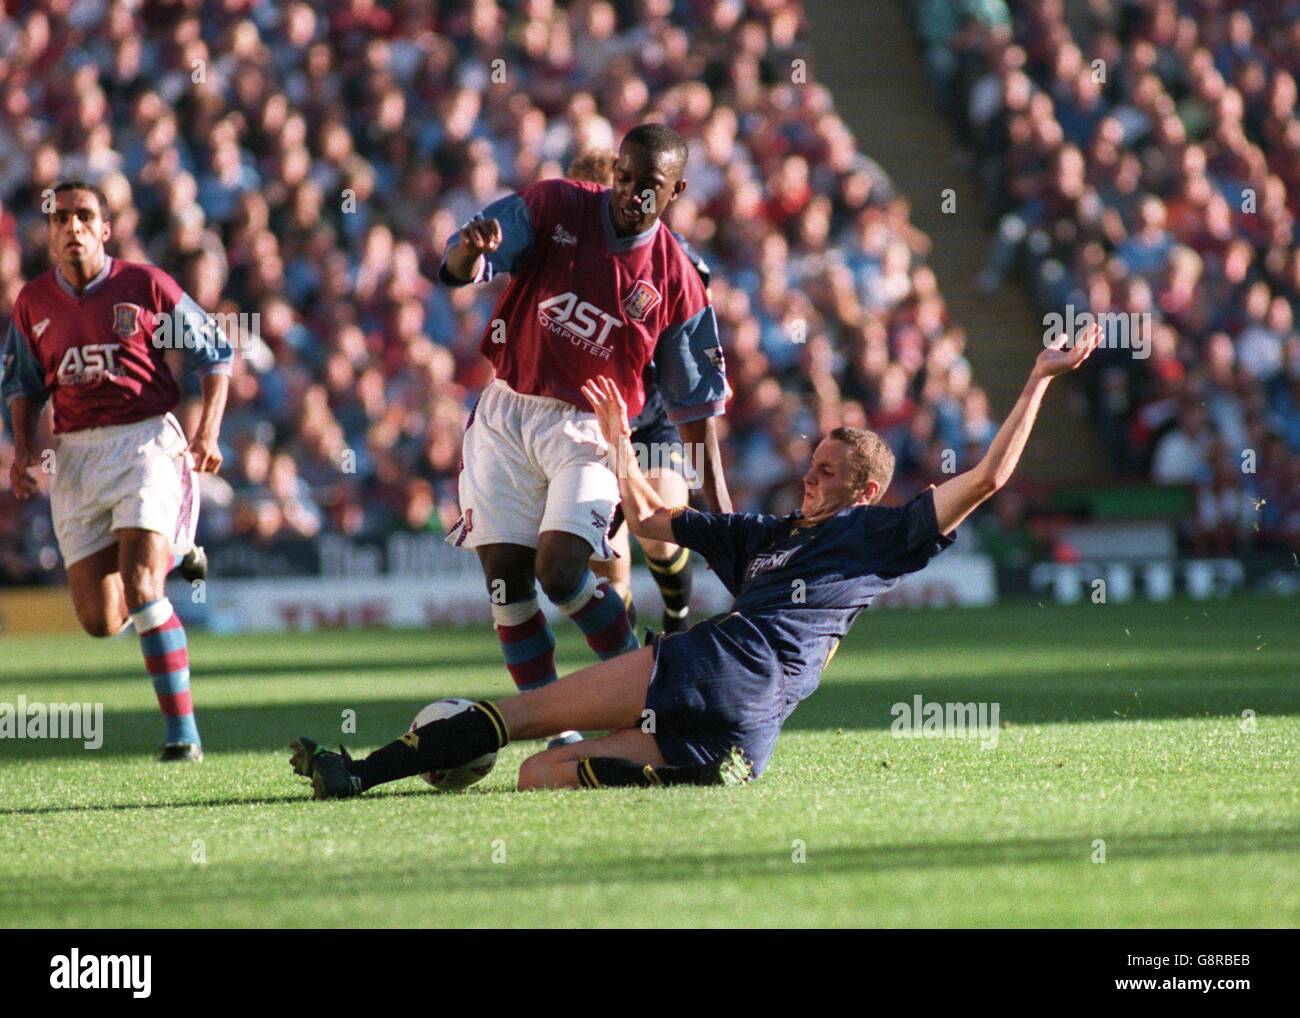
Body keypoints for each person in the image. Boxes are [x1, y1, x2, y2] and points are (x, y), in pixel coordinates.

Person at [288, 326, 1100, 797]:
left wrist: (1038, 378)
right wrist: (617, 447)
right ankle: (698, 775)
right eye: (811, 463)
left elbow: (991, 476)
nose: (808, 477)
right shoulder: (766, 535)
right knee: (540, 775)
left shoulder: (885, 534)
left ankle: (359, 772)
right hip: (754, 724)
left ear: (868, 489)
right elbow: (651, 518)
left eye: (826, 471)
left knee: (525, 716)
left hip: (722, 657)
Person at [437, 124, 731, 745]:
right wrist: (470, 251)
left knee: (562, 569)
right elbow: (459, 264)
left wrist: (727, 521)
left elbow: (696, 407)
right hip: (507, 412)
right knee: (505, 583)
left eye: (649, 187)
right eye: (624, 177)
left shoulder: (678, 276)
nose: (630, 194)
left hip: (596, 428)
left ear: (675, 191)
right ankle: (558, 730)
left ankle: (642, 693)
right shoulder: (554, 204)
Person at [1, 181, 233, 762]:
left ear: (105, 229)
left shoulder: (146, 286)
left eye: (85, 216)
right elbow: (23, 386)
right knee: (100, 621)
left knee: (140, 586)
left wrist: (207, 433)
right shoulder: (32, 303)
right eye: (61, 219)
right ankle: (180, 552)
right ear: (49, 234)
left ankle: (183, 735)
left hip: (145, 442)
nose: (72, 226)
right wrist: (23, 452)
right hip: (76, 455)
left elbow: (215, 354)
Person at [566, 146, 713, 635]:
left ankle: (677, 623)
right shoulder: (557, 248)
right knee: (606, 563)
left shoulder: (669, 256)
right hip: (582, 426)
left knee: (659, 531)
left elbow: (695, 323)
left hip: (650, 420)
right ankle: (631, 664)